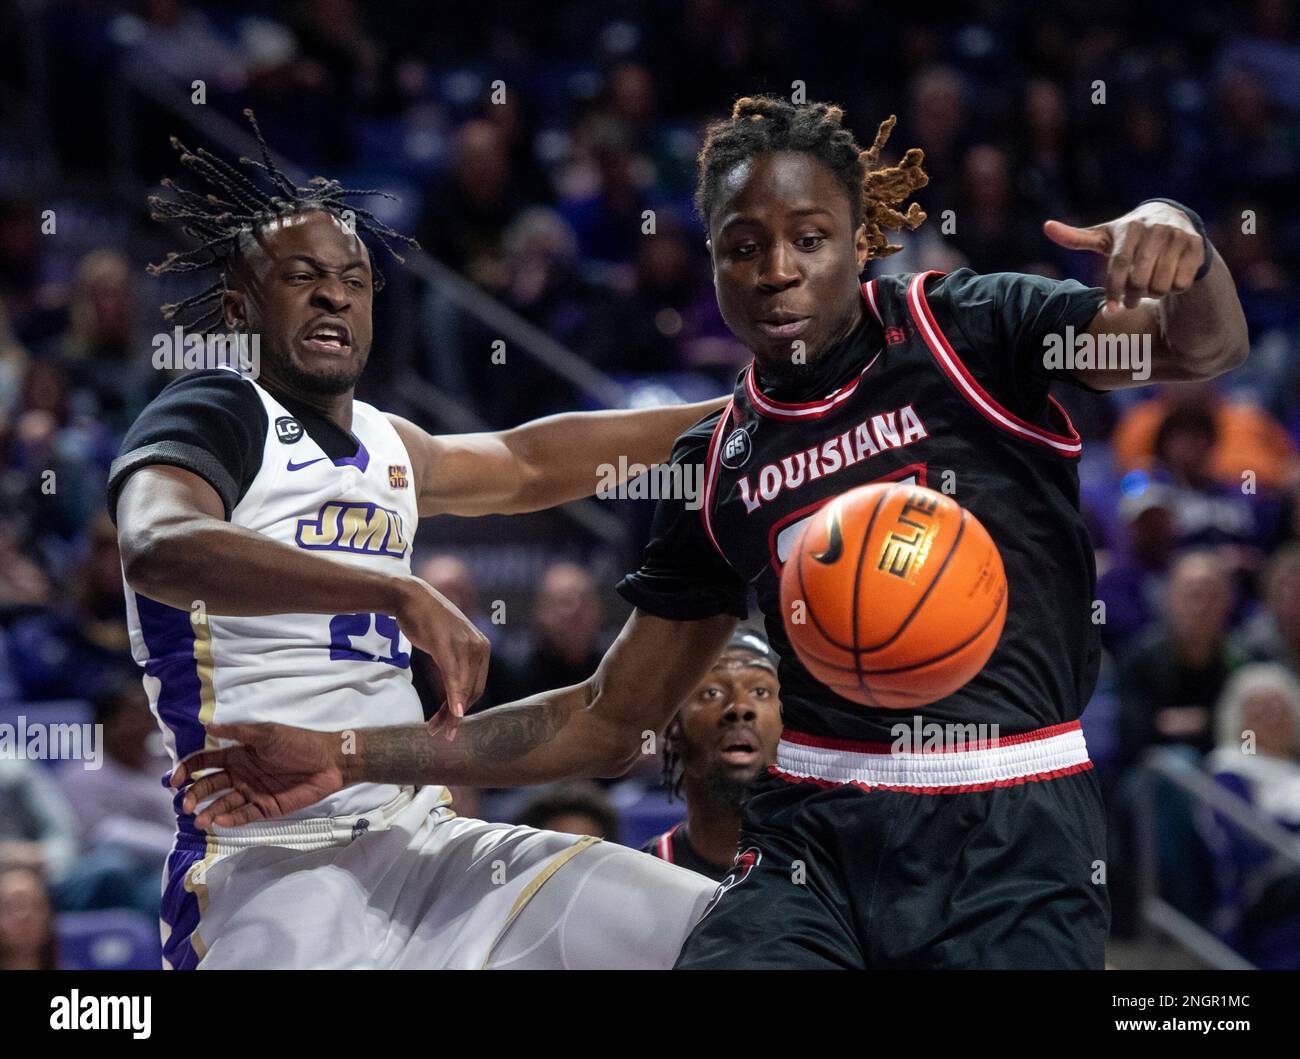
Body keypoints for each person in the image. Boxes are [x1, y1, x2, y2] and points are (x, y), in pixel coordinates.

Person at [175, 96, 1250, 969]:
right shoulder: (716, 460)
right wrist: (353, 755)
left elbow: (1191, 353)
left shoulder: (969, 332)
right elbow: (607, 719)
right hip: (814, 843)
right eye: (744, 245)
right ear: (713, 261)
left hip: (1011, 826)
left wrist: (1183, 241)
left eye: (808, 239)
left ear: (860, 243)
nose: (776, 267)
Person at [109, 112, 723, 970]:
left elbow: (531, 461)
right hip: (266, 862)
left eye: (354, 278)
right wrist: (389, 589)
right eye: (304, 276)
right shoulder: (216, 409)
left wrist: (743, 415)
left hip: (424, 837)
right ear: (245, 306)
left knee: (718, 930)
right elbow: (159, 547)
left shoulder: (389, 442)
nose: (334, 294)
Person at [642, 630, 782, 880]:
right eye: (712, 692)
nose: (740, 708)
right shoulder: (639, 879)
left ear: (788, 727)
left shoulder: (832, 876)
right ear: (673, 728)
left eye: (760, 691)